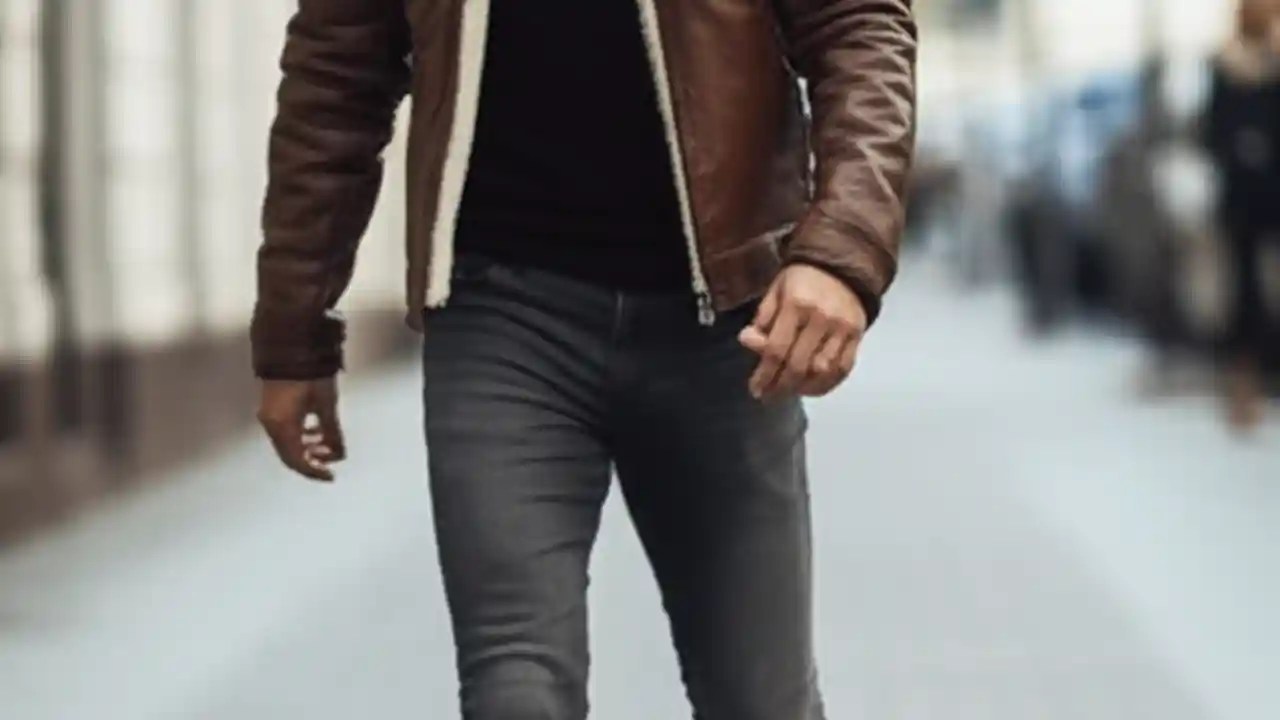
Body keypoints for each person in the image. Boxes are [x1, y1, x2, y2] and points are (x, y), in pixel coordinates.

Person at [251, 1, 916, 717]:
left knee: (758, 701)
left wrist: (843, 250)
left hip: (726, 329)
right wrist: (294, 334)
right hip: (503, 322)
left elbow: (858, 26)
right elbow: (334, 82)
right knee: (516, 695)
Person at [1204, 0, 1280, 431]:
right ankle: (1243, 391)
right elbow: (1214, 131)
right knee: (1245, 295)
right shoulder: (1224, 66)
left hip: (1274, 194)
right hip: (1241, 200)